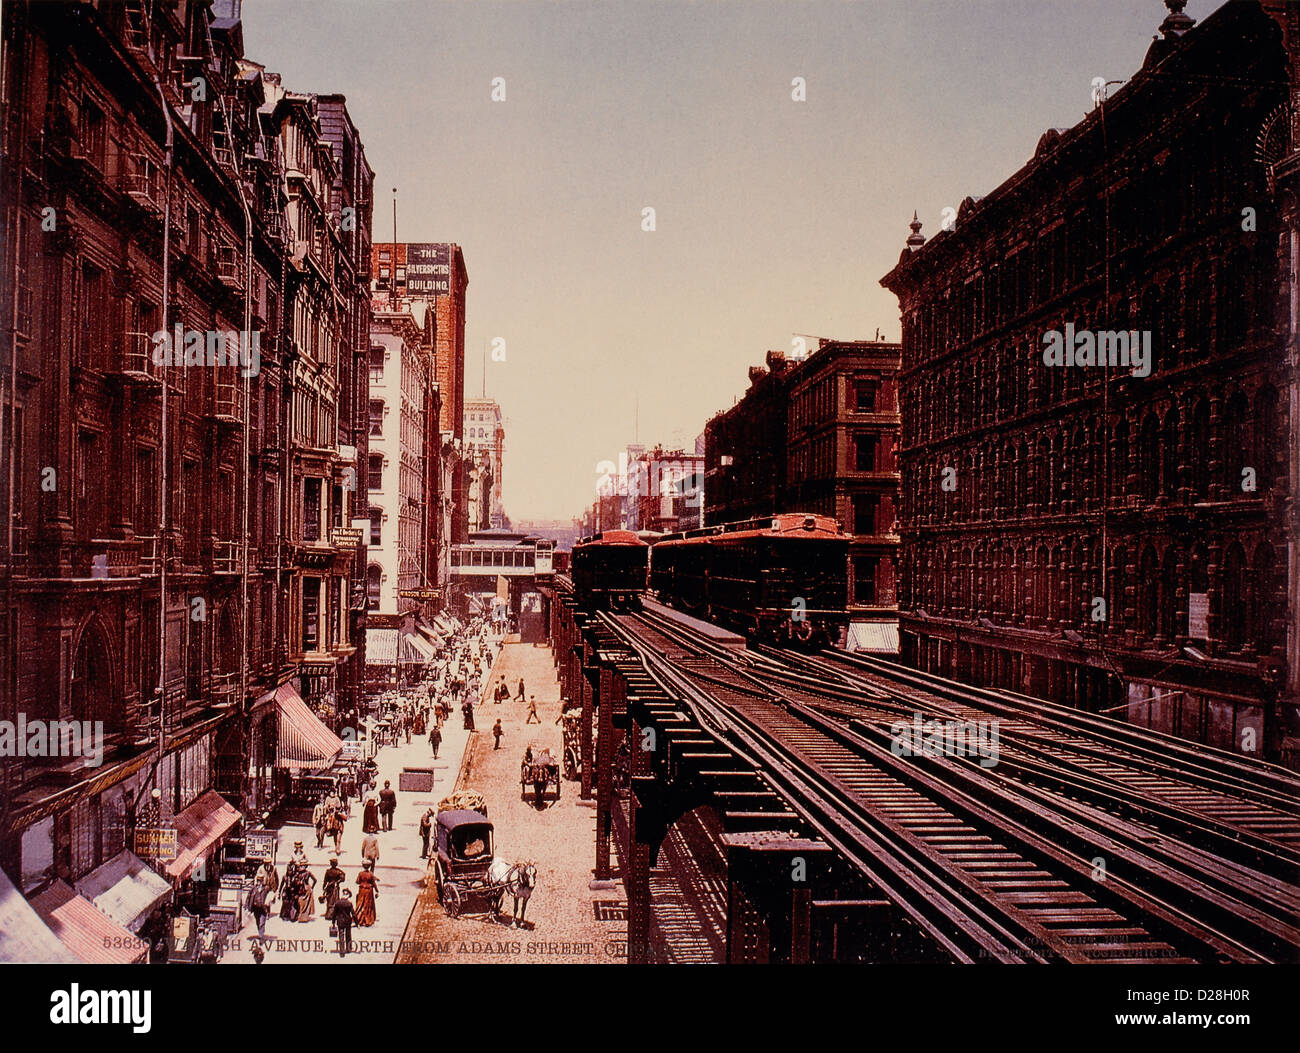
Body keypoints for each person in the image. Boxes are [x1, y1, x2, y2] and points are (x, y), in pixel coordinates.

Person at [355, 862, 378, 927]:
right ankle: (367, 920)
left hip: (362, 890)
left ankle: (359, 919)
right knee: (368, 904)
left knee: (361, 904)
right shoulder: (371, 874)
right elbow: (374, 883)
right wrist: (377, 890)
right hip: (369, 890)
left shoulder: (360, 873)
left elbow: (357, 882)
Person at [333, 888, 355, 956]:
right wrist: (357, 923)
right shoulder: (349, 903)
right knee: (348, 935)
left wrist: (333, 922)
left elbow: (334, 914)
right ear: (347, 895)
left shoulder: (337, 903)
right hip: (348, 921)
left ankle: (342, 951)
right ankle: (348, 949)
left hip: (340, 921)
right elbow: (353, 914)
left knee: (341, 935)